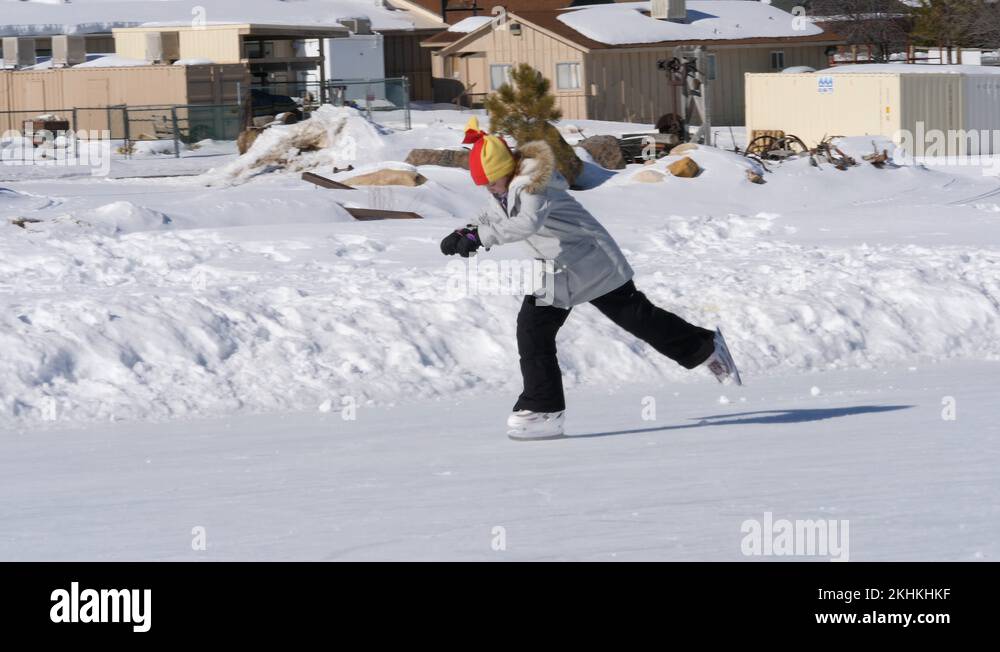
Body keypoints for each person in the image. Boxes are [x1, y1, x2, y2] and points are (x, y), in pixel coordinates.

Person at [440, 117, 740, 439]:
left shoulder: (533, 185)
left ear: (508, 170)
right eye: (484, 184)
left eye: (492, 181)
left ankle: (705, 347)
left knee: (639, 319)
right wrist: (466, 230)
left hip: (591, 262)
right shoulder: (503, 189)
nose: (489, 188)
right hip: (556, 269)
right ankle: (543, 409)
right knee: (533, 329)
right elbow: (490, 214)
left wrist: (481, 238)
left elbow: (526, 223)